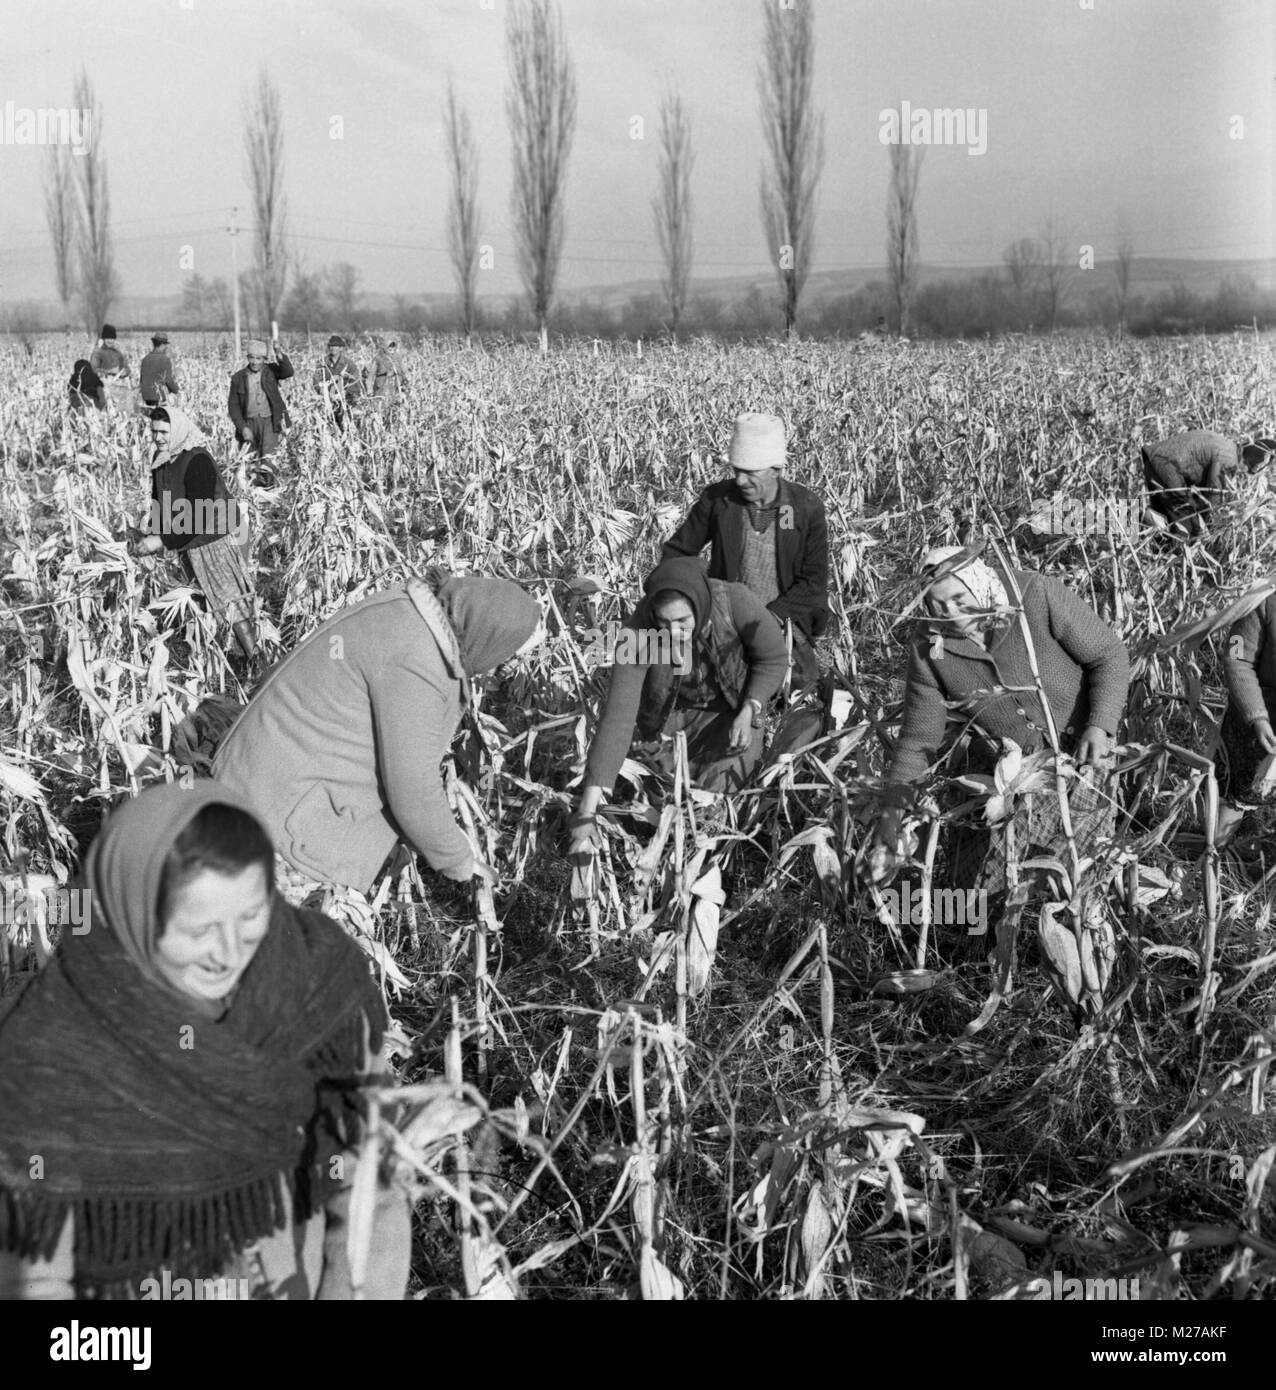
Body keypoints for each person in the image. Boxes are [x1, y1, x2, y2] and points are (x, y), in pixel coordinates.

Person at [0, 781, 411, 1300]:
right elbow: (32, 1272)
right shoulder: (54, 1049)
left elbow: (368, 1182)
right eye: (198, 931)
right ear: (130, 910)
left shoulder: (317, 991)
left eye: (250, 918)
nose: (228, 953)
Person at [873, 547, 1130, 1000]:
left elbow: (1108, 654)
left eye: (959, 599)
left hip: (1080, 757)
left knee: (1080, 875)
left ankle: (1092, 979)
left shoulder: (1036, 595)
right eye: (936, 606)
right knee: (987, 884)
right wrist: (892, 810)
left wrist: (1100, 725)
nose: (951, 615)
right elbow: (918, 740)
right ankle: (988, 981)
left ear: (980, 584)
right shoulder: (929, 650)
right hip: (1005, 771)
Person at [213, 570, 543, 908]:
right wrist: (456, 857)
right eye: (506, 653)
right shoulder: (418, 661)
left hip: (253, 781)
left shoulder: (402, 610)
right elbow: (412, 788)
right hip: (280, 825)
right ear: (490, 639)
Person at [568, 556, 789, 854]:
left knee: (717, 795)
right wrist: (587, 810)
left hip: (731, 711)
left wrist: (751, 707)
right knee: (660, 790)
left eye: (683, 621)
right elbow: (618, 718)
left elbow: (773, 658)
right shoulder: (637, 634)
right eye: (664, 623)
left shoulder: (735, 602)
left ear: (699, 606)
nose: (673, 632)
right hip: (672, 719)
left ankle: (705, 854)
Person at [660, 412, 829, 689]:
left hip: (782, 623)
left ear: (776, 469)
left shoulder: (803, 508)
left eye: (750, 472)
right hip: (722, 623)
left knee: (802, 688)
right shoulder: (718, 501)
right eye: (736, 470)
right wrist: (692, 602)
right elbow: (677, 553)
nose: (740, 481)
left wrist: (769, 618)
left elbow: (813, 583)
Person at [131, 406, 258, 660]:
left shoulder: (196, 459)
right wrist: (153, 533)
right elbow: (160, 503)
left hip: (216, 537)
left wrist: (162, 540)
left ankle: (257, 658)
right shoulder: (163, 458)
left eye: (164, 432)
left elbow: (199, 517)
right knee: (205, 599)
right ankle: (227, 657)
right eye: (154, 431)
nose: (158, 437)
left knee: (231, 601)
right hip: (190, 539)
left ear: (177, 429)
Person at [1214, 590, 1276, 845]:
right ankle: (1213, 858)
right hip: (1258, 724)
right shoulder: (1263, 603)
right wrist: (1257, 717)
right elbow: (1237, 658)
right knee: (1238, 792)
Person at [1141, 430, 1236, 538]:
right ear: (1254, 466)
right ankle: (1128, 516)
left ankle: (1129, 519)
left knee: (1163, 521)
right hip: (1168, 470)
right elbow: (1215, 493)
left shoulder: (1226, 445)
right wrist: (1215, 529)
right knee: (1189, 529)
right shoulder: (1230, 458)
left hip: (1153, 461)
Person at [228, 336, 294, 465]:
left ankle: (269, 484)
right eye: (251, 357)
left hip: (270, 420)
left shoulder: (271, 371)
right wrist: (243, 428)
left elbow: (288, 372)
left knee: (268, 458)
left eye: (259, 358)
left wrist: (278, 352)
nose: (254, 362)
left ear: (264, 360)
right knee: (249, 460)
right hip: (248, 423)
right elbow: (233, 406)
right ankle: (252, 484)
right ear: (247, 358)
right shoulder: (238, 378)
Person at [314, 335, 363, 431]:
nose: (333, 348)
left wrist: (346, 393)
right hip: (327, 401)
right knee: (328, 427)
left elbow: (356, 381)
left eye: (336, 346)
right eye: (331, 346)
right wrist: (321, 390)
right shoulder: (322, 363)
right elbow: (316, 379)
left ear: (341, 348)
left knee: (345, 427)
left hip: (344, 402)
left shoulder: (349, 364)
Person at [89, 323, 131, 413]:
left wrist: (124, 372)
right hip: (104, 387)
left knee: (128, 401)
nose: (110, 340)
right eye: (108, 338)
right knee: (106, 411)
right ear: (104, 339)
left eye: (112, 338)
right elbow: (93, 370)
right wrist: (109, 371)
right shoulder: (97, 353)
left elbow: (127, 368)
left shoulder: (118, 353)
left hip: (118, 386)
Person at [138, 330, 180, 407]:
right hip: (159, 396)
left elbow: (141, 380)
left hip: (146, 397)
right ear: (162, 345)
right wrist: (176, 390)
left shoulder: (145, 359)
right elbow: (168, 380)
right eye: (165, 345)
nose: (166, 347)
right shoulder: (165, 359)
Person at [364, 336, 403, 415]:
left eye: (394, 350)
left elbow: (402, 373)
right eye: (390, 349)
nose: (392, 352)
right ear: (385, 348)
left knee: (393, 413)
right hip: (380, 391)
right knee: (380, 412)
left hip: (394, 391)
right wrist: (369, 390)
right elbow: (370, 376)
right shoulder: (378, 359)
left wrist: (404, 386)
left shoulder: (397, 359)